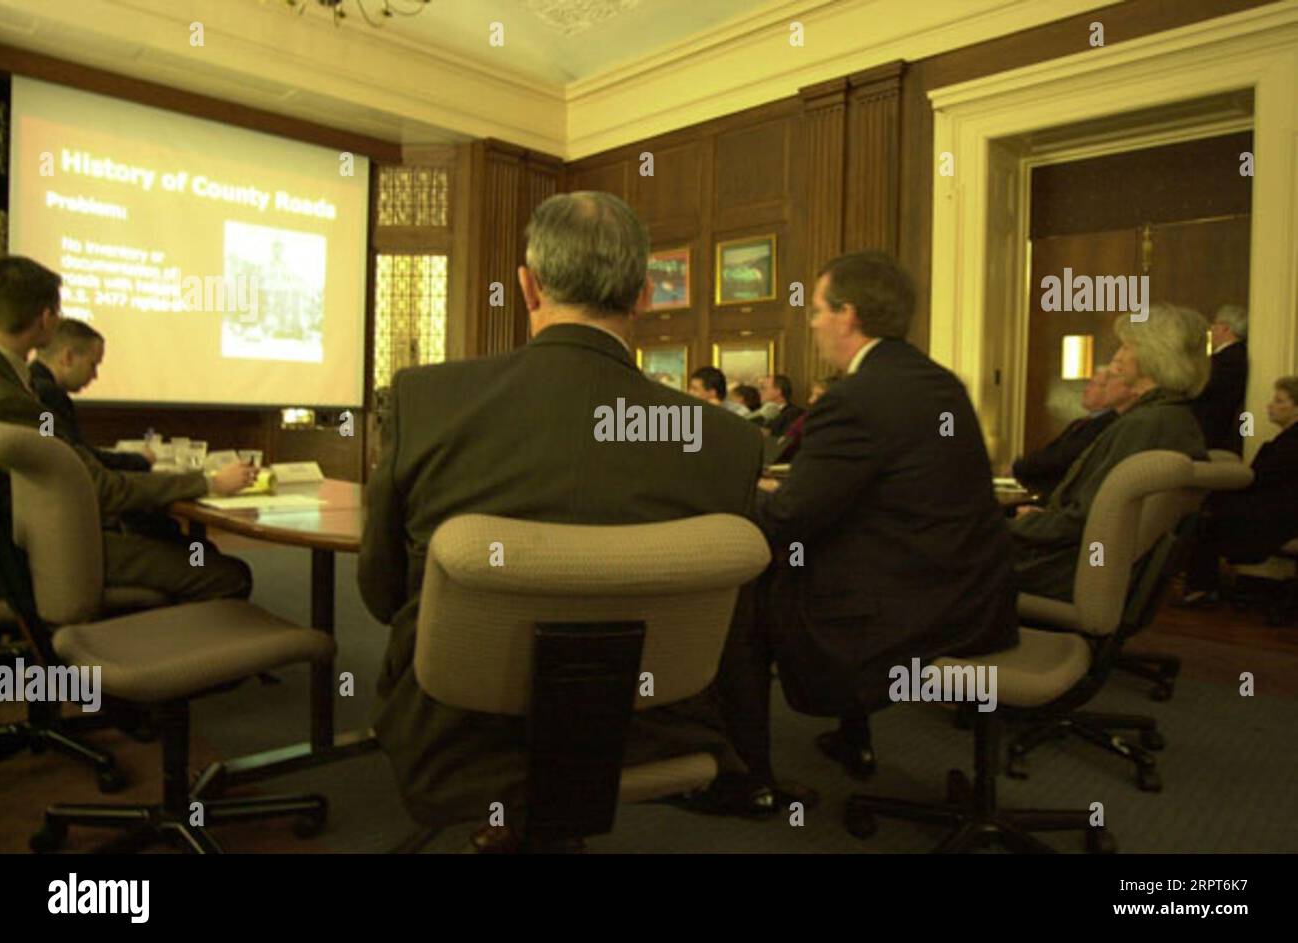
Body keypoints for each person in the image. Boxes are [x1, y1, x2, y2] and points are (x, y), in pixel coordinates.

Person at [358, 191, 767, 850]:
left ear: (527, 286)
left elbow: (380, 595)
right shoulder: (724, 440)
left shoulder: (425, 401)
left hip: (456, 733)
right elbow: (731, 628)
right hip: (648, 725)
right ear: (641, 295)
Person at [718, 251, 1017, 809]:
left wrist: (733, 505)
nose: (811, 322)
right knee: (823, 555)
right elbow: (882, 495)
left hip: (911, 609)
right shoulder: (937, 381)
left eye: (817, 310)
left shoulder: (856, 397)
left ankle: (747, 778)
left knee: (747, 594)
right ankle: (852, 736)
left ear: (847, 314)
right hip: (971, 594)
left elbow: (790, 519)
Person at [0, 256, 257, 604]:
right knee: (228, 574)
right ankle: (164, 654)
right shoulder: (18, 397)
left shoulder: (21, 383)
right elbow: (99, 487)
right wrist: (209, 482)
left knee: (185, 543)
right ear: (46, 318)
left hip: (33, 539)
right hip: (52, 550)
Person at [1012, 304, 1210, 601]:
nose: (1117, 354)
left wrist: (1020, 524)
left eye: (1128, 345)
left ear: (1153, 354)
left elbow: (1084, 521)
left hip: (1062, 570)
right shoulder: (1172, 418)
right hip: (1087, 563)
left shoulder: (1145, 424)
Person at [1180, 376, 1298, 605]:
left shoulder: (1292, 444)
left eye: (1279, 401)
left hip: (1282, 516)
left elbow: (1260, 478)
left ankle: (1201, 587)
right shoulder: (1288, 440)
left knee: (1206, 516)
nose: (1270, 405)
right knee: (1212, 508)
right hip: (1280, 509)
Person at [30, 319, 151, 472]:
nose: (95, 375)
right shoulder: (48, 395)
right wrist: (139, 461)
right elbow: (77, 458)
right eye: (93, 365)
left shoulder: (27, 382)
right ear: (68, 357)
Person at [1011, 367, 1123, 500]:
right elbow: (1050, 451)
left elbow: (1062, 458)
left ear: (1109, 390)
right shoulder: (1081, 422)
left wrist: (1018, 467)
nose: (1086, 390)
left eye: (1092, 384)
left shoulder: (1105, 425)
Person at [1191, 303, 1248, 454]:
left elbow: (1202, 388)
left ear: (1225, 328)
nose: (1211, 329)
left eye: (1214, 324)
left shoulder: (1230, 358)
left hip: (1212, 431)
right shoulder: (1229, 355)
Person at [770, 374, 839, 464]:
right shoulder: (808, 416)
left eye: (818, 396)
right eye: (812, 394)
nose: (810, 400)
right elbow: (787, 440)